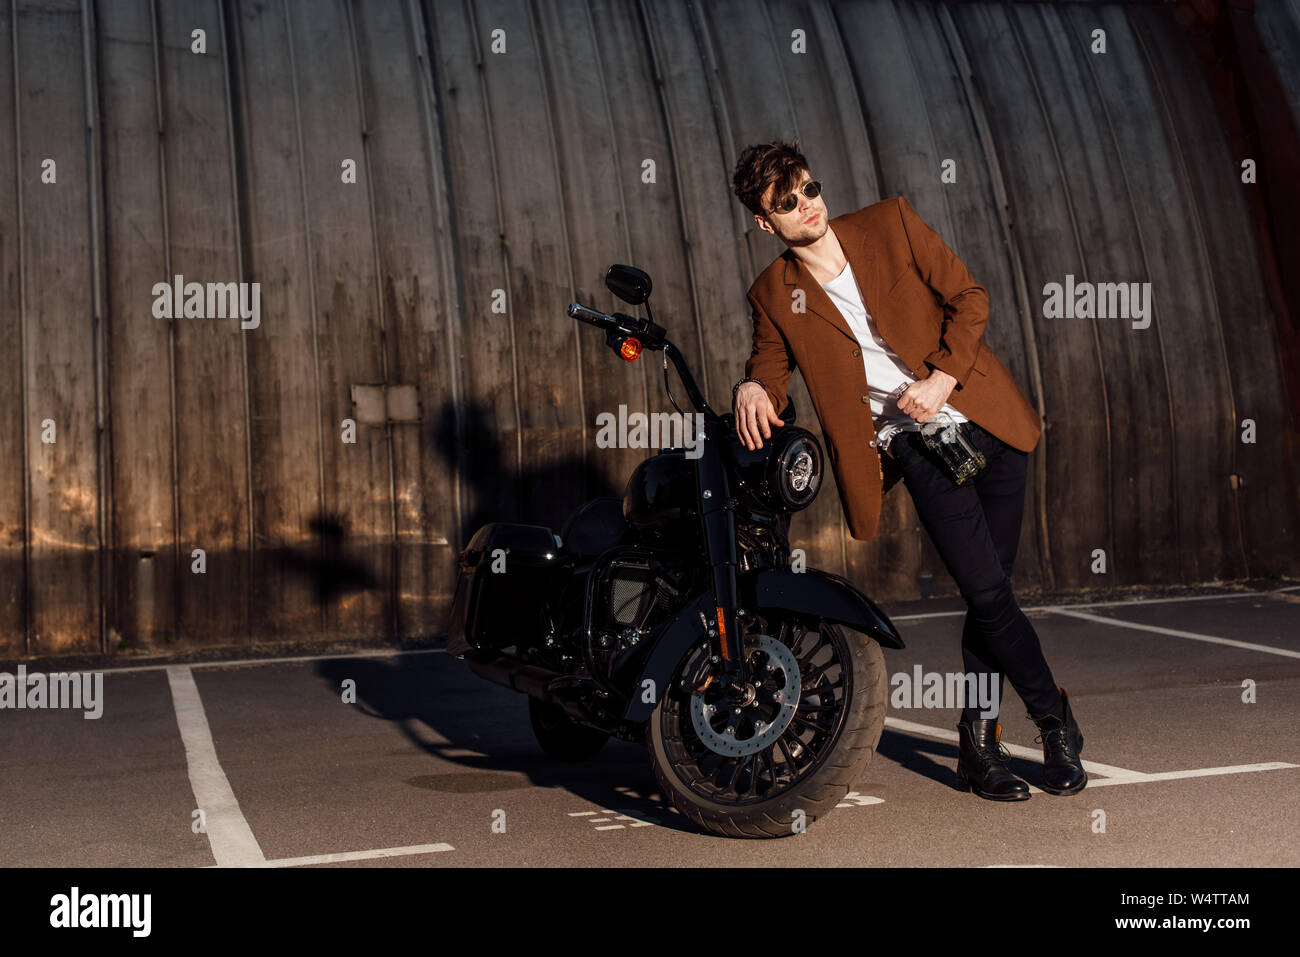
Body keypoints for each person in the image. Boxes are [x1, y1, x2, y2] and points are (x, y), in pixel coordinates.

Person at [730, 139, 1085, 800]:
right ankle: (1055, 720)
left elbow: (969, 296)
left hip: (983, 412)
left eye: (808, 188)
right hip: (911, 440)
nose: (807, 205)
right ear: (764, 221)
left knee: (992, 595)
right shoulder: (774, 293)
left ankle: (979, 745)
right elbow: (770, 370)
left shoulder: (889, 223)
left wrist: (944, 376)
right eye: (787, 202)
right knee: (987, 589)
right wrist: (752, 388)